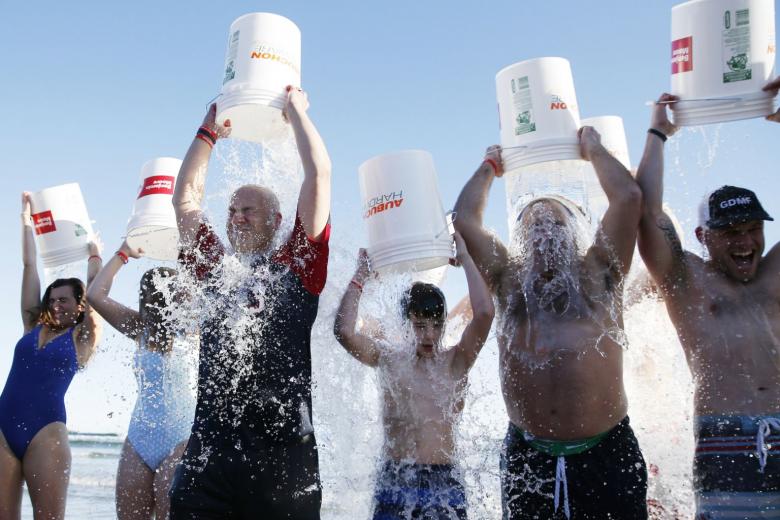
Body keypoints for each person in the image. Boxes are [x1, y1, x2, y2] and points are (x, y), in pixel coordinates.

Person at [453, 128, 647, 519]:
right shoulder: (510, 283)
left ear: (574, 234)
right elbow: (464, 219)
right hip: (529, 457)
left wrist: (593, 149)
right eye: (533, 226)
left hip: (606, 453)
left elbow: (628, 197)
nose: (545, 233)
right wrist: (490, 166)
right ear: (519, 240)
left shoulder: (600, 275)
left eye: (556, 224)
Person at [168, 87, 331, 519]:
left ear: (277, 221)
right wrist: (208, 131)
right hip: (209, 458)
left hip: (284, 463)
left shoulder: (299, 264)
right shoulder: (215, 268)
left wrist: (295, 113)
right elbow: (184, 200)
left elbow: (319, 175)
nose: (237, 217)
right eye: (233, 210)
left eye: (249, 210)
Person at [636, 88, 780, 519]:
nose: (745, 242)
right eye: (731, 232)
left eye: (753, 229)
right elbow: (646, 216)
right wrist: (658, 133)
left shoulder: (775, 272)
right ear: (703, 237)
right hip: (724, 442)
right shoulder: (687, 280)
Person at [333, 234, 494, 519]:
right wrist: (361, 275)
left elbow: (484, 313)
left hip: (443, 481)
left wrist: (466, 259)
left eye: (436, 326)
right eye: (419, 326)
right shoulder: (388, 359)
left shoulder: (456, 362)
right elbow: (344, 332)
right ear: (405, 325)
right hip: (396, 478)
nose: (429, 336)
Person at [0, 192, 102, 520]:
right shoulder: (32, 325)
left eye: (65, 300)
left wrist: (95, 257)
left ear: (79, 305)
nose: (56, 305)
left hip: (46, 432)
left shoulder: (82, 336)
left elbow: (97, 293)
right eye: (52, 299)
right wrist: (25, 219)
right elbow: (30, 265)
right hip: (3, 428)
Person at [86, 240, 196, 519]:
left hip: (181, 438)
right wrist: (123, 254)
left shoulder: (194, 331)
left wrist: (186, 254)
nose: (151, 297)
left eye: (158, 290)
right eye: (146, 291)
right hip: (139, 438)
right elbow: (95, 295)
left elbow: (200, 288)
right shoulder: (140, 329)